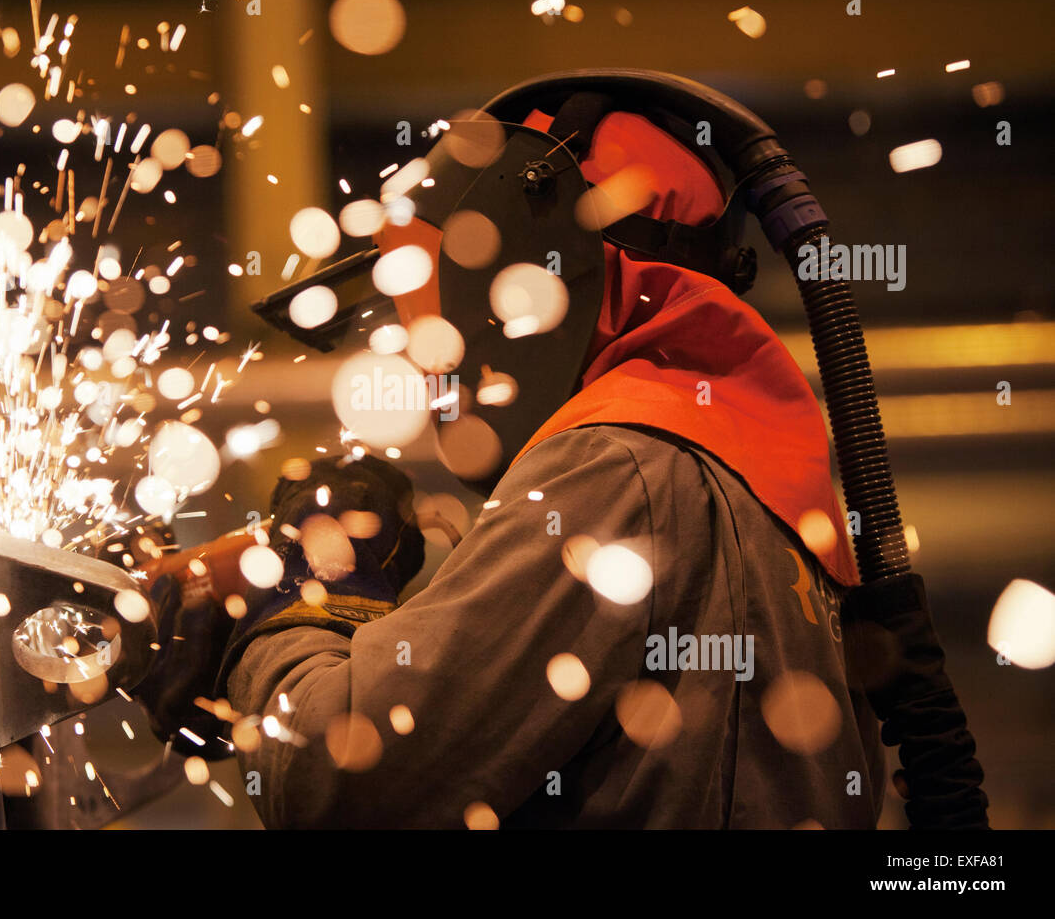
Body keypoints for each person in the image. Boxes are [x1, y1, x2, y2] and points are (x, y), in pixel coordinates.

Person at [135, 95, 886, 829]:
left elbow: (339, 787)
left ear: (538, 270)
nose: (437, 371)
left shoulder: (615, 469)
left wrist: (289, 609)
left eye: (438, 319)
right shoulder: (754, 484)